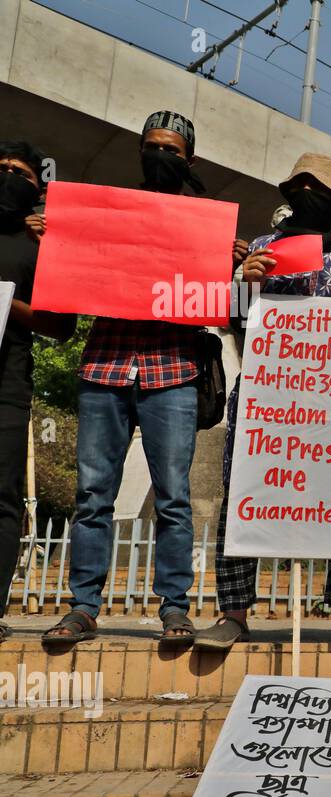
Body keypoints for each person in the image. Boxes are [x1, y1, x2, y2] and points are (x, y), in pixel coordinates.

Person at [44, 111, 247, 647]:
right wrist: (56, 232)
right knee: (92, 494)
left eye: (172, 150)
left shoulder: (206, 226)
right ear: (140, 153)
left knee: (173, 496)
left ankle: (175, 609)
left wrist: (229, 269)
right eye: (153, 147)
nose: (161, 156)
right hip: (106, 365)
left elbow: (224, 310)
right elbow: (72, 272)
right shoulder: (109, 215)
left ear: (189, 159)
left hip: (174, 371)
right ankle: (84, 608)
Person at [192, 154, 331, 653]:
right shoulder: (261, 248)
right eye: (298, 183)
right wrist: (246, 283)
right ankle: (234, 613)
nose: (306, 191)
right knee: (244, 491)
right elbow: (230, 320)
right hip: (267, 396)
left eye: (317, 186)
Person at [0, 141, 77, 642]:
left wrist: (8, 305)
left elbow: (61, 325)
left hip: (7, 384)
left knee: (3, 498)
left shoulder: (41, 246)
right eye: (1, 169)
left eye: (20, 172)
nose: (8, 176)